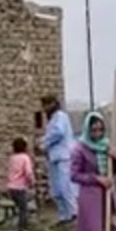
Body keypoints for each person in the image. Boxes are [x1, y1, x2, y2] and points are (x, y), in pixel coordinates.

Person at [39, 95, 78, 224]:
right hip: (54, 157)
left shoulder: (60, 116)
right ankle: (63, 216)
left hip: (63, 156)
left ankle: (73, 212)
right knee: (55, 190)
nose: (44, 108)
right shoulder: (52, 120)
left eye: (46, 105)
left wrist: (44, 142)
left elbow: (58, 132)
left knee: (64, 186)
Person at [6, 137, 35, 231]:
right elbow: (28, 173)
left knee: (20, 207)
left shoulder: (12, 158)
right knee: (24, 209)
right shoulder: (25, 158)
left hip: (11, 187)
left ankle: (21, 225)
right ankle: (22, 228)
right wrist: (31, 183)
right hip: (20, 187)